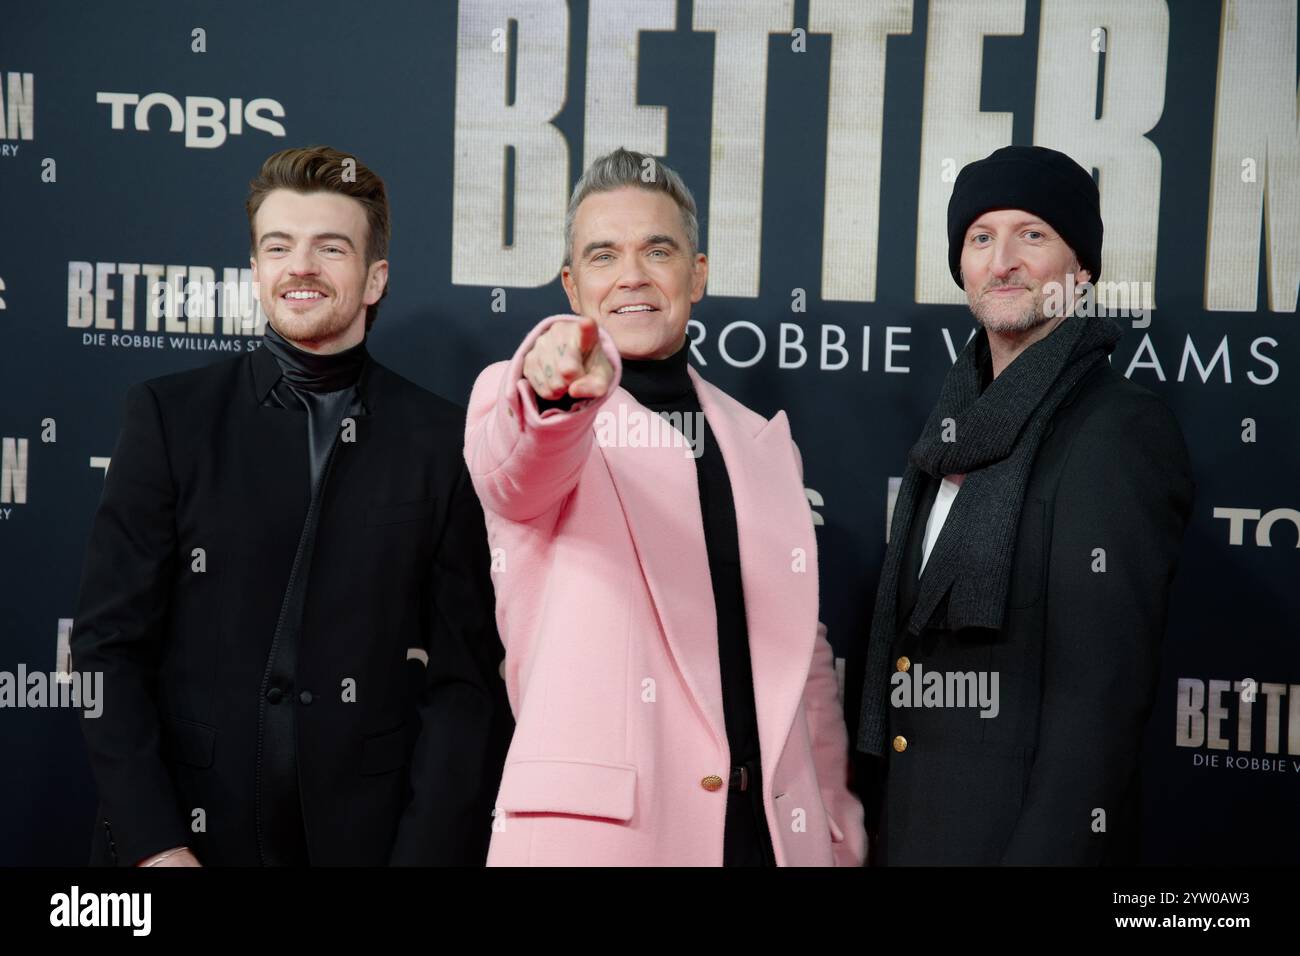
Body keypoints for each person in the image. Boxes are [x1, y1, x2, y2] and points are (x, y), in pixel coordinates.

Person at [71, 145, 511, 866]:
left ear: (374, 279)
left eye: (329, 248)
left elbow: (462, 685)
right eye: (279, 246)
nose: (300, 267)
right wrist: (157, 847)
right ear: (256, 269)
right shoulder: (170, 418)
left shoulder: (442, 439)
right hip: (183, 843)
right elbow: (104, 653)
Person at [465, 148, 865, 866]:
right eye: (603, 255)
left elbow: (800, 658)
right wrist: (553, 384)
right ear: (571, 284)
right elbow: (519, 468)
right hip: (603, 843)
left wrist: (832, 823)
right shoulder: (530, 405)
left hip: (763, 840)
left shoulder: (761, 444)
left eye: (658, 249)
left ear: (698, 273)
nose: (632, 276)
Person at [857, 145, 1194, 865]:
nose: (1002, 260)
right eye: (981, 238)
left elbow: (1096, 714)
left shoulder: (1119, 431)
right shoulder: (950, 429)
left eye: (1032, 234)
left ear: (1083, 270)